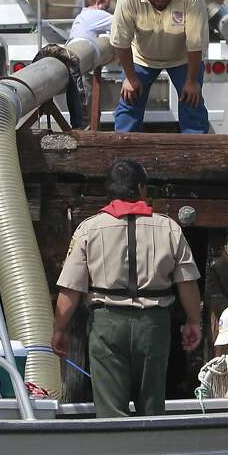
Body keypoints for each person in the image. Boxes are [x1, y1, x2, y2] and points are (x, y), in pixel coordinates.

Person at [51, 158, 204, 417]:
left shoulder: (89, 229)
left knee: (110, 411)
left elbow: (70, 288)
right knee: (152, 405)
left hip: (107, 325)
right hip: (153, 324)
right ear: (142, 189)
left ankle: (116, 452)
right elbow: (186, 282)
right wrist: (193, 321)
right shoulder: (169, 227)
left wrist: (60, 329)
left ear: (109, 192)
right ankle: (152, 451)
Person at [110, 0, 210, 134]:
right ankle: (124, 154)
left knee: (192, 103)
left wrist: (192, 82)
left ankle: (195, 154)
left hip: (183, 58)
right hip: (142, 56)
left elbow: (195, 44)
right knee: (129, 101)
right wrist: (131, 79)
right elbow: (121, 42)